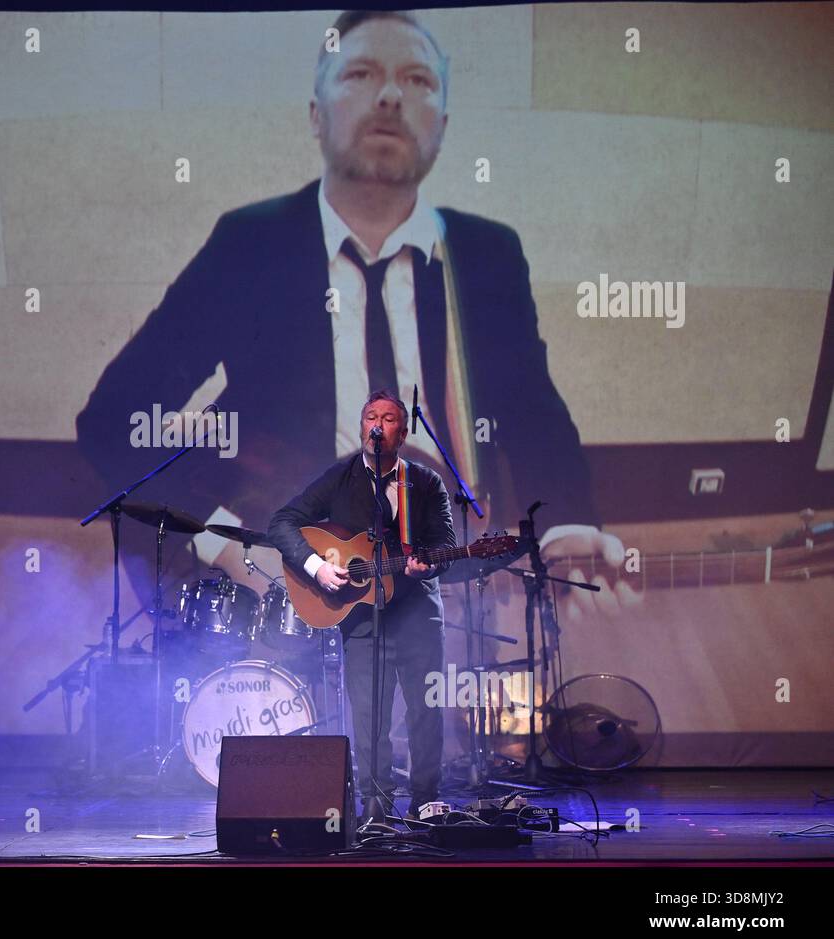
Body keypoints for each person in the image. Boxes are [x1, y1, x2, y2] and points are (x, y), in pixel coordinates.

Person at [75, 10, 636, 619]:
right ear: (316, 116)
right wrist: (218, 540)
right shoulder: (249, 244)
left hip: (444, 578)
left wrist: (566, 524)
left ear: (442, 127)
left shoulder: (487, 254)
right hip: (289, 578)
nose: (391, 95)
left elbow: (534, 414)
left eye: (418, 80)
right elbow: (115, 417)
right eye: (362, 73)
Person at [268, 391, 453, 819]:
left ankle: (425, 799)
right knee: (369, 716)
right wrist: (316, 567)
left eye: (388, 418)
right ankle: (377, 803)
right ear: (362, 428)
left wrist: (427, 567)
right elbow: (282, 521)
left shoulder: (425, 483)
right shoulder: (341, 477)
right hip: (361, 617)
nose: (378, 424)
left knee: (425, 709)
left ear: (402, 433)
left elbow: (445, 543)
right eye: (371, 416)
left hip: (416, 613)